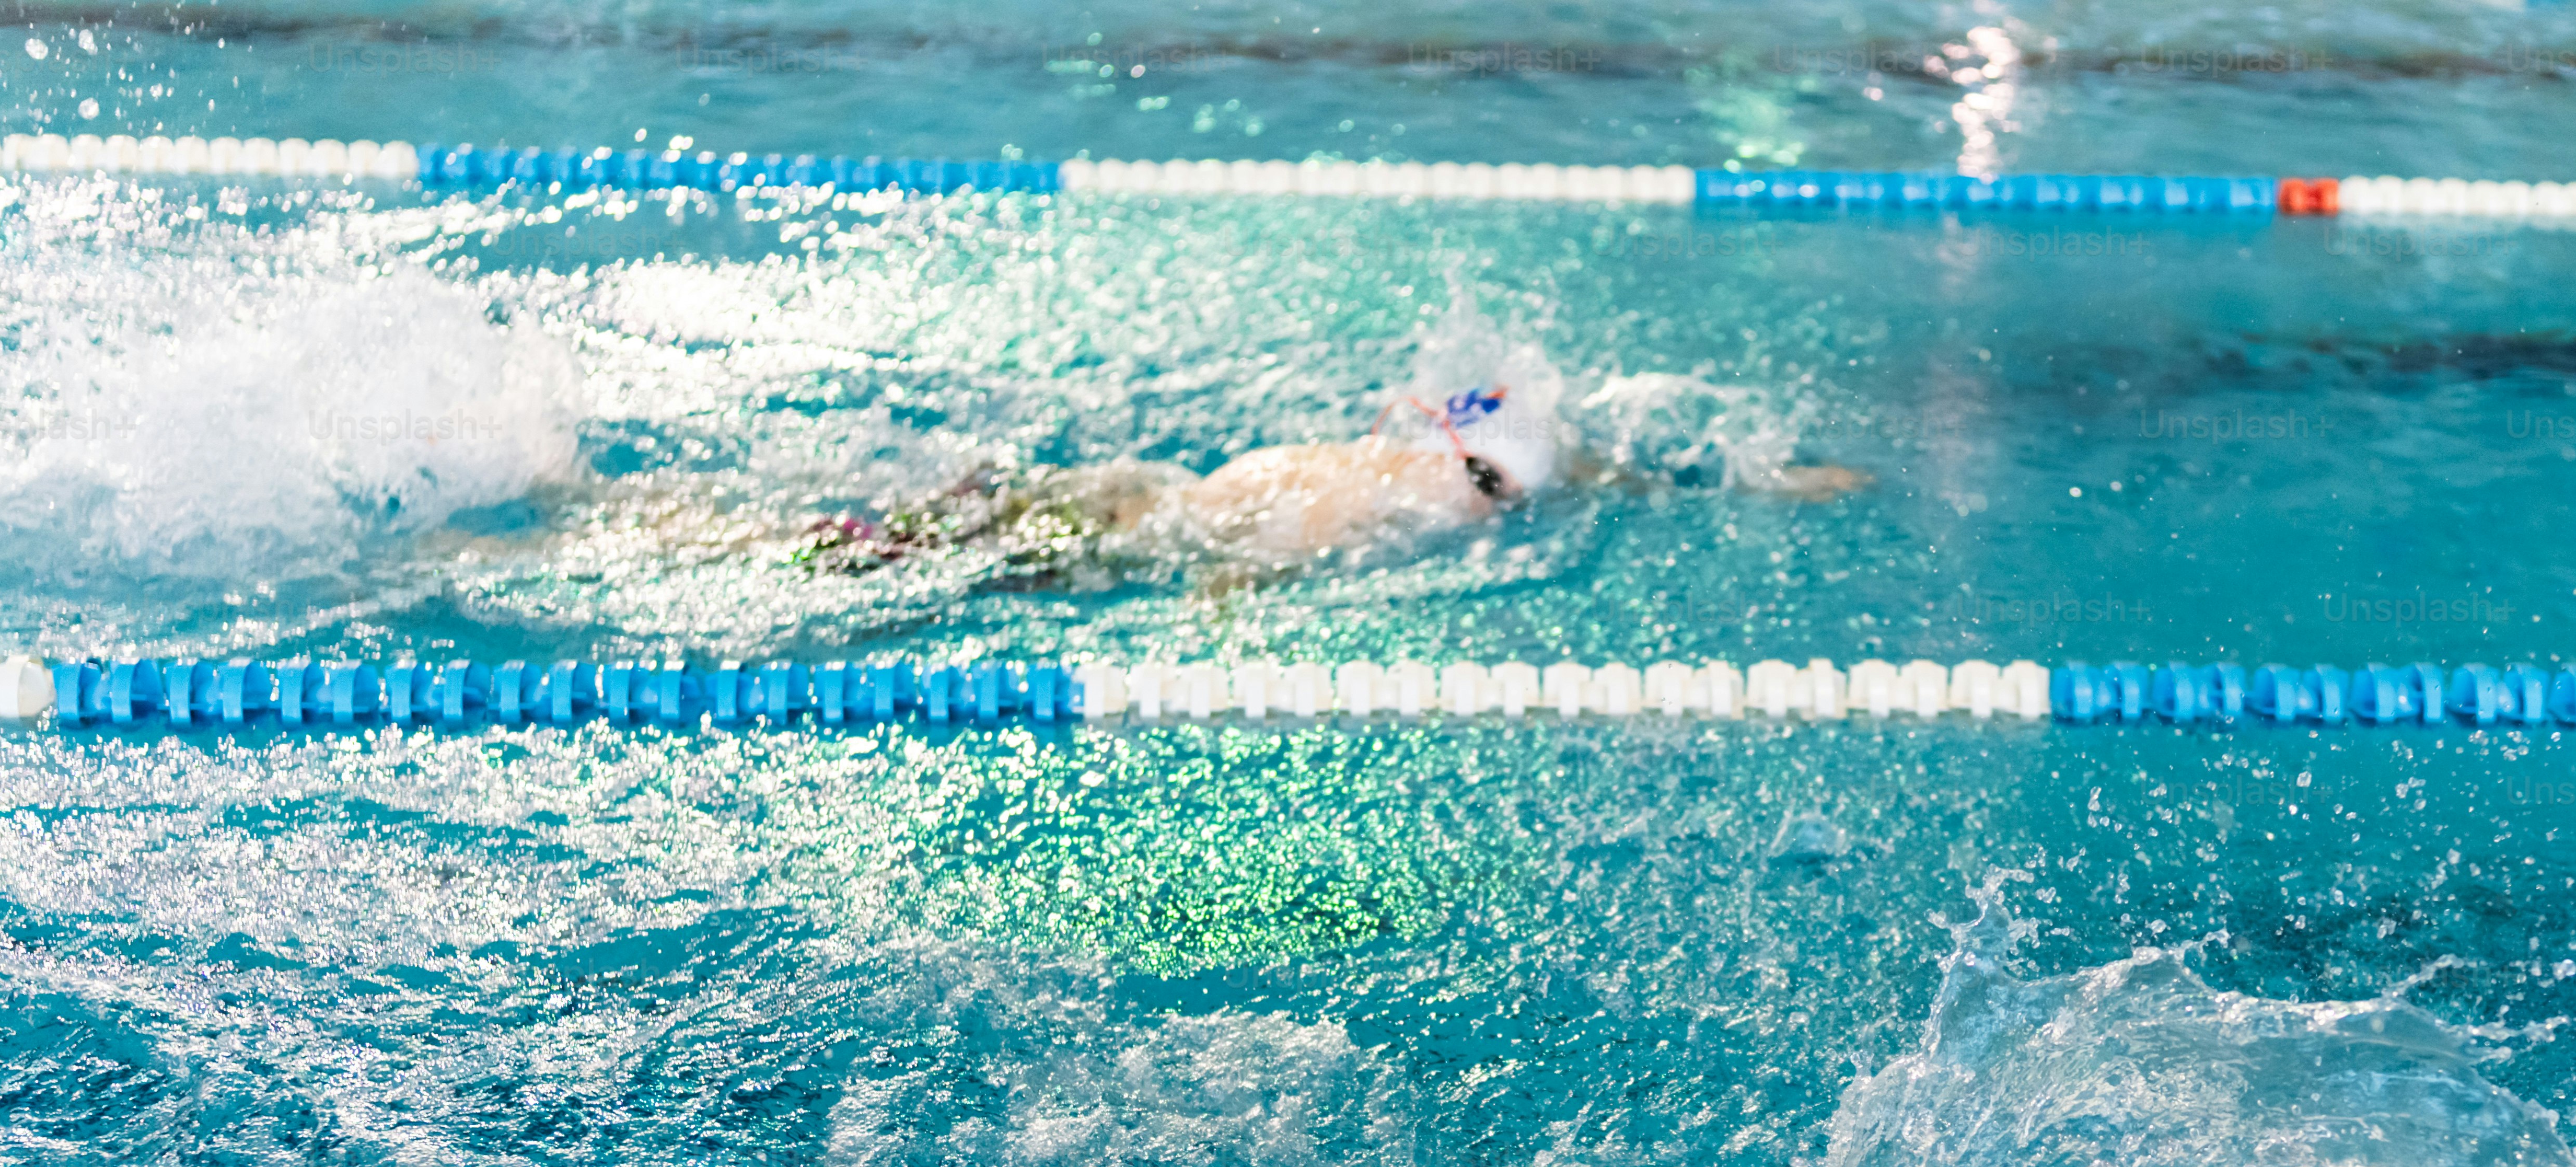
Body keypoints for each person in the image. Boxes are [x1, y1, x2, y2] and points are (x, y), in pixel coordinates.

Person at [788, 380, 1865, 591]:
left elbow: (1607, 476)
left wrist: (1776, 488)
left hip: (1133, 493)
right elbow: (1244, 563)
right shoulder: (1379, 504)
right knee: (884, 558)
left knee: (930, 526)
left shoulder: (1418, 464)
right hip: (1113, 538)